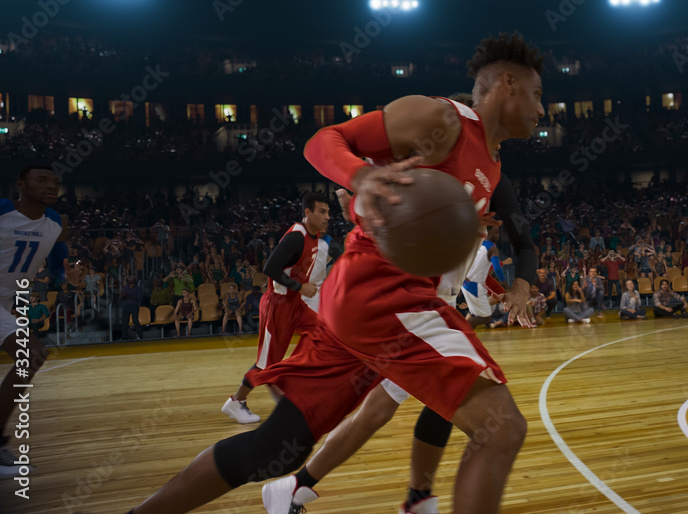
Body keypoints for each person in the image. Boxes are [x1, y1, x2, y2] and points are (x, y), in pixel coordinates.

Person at [129, 33, 542, 514]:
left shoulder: (492, 166)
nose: (542, 109)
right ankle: (417, 497)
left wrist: (476, 238)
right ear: (507, 84)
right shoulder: (442, 119)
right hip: (389, 293)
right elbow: (326, 140)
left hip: (360, 302)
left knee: (272, 449)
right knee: (503, 428)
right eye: (537, 94)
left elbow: (454, 230)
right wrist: (359, 175)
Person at [0, 166, 82, 478]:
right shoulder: (3, 211)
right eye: (42, 180)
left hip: (4, 302)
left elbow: (59, 263)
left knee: (32, 356)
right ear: (20, 184)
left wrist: (67, 274)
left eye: (55, 182)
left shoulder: (57, 223)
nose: (51, 186)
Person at [221, 193, 330, 424]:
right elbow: (269, 267)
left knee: (324, 333)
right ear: (308, 213)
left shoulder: (315, 235)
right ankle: (236, 402)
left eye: (328, 212)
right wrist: (300, 287)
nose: (327, 216)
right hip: (278, 306)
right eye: (322, 211)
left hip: (295, 305)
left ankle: (288, 385)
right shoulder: (296, 237)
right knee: (265, 364)